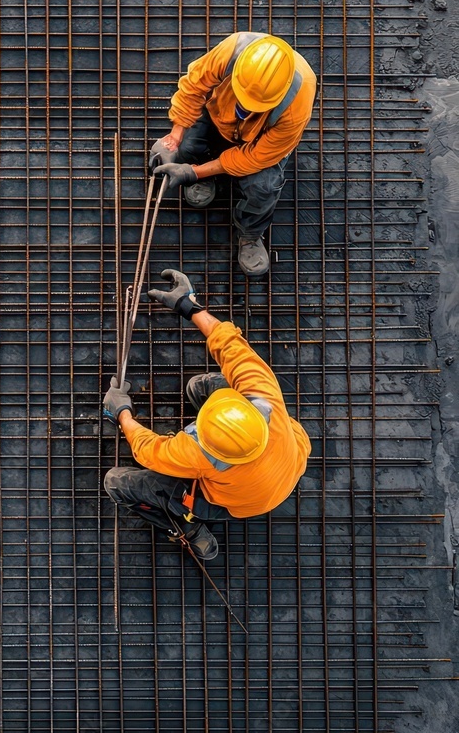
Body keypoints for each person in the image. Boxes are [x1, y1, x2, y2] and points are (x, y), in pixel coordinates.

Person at [102, 269, 311, 559]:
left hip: (240, 503)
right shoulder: (264, 395)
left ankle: (185, 527)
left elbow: (147, 451)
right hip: (287, 466)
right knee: (200, 386)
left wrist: (122, 412)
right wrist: (190, 306)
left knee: (117, 483)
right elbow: (230, 345)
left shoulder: (199, 456)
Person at [148, 32, 317, 277]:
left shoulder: (296, 105)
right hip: (220, 116)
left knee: (264, 187)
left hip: (260, 141)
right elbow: (194, 85)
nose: (247, 107)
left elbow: (254, 158)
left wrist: (192, 172)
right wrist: (174, 136)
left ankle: (250, 234)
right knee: (188, 148)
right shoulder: (233, 51)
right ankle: (206, 177)